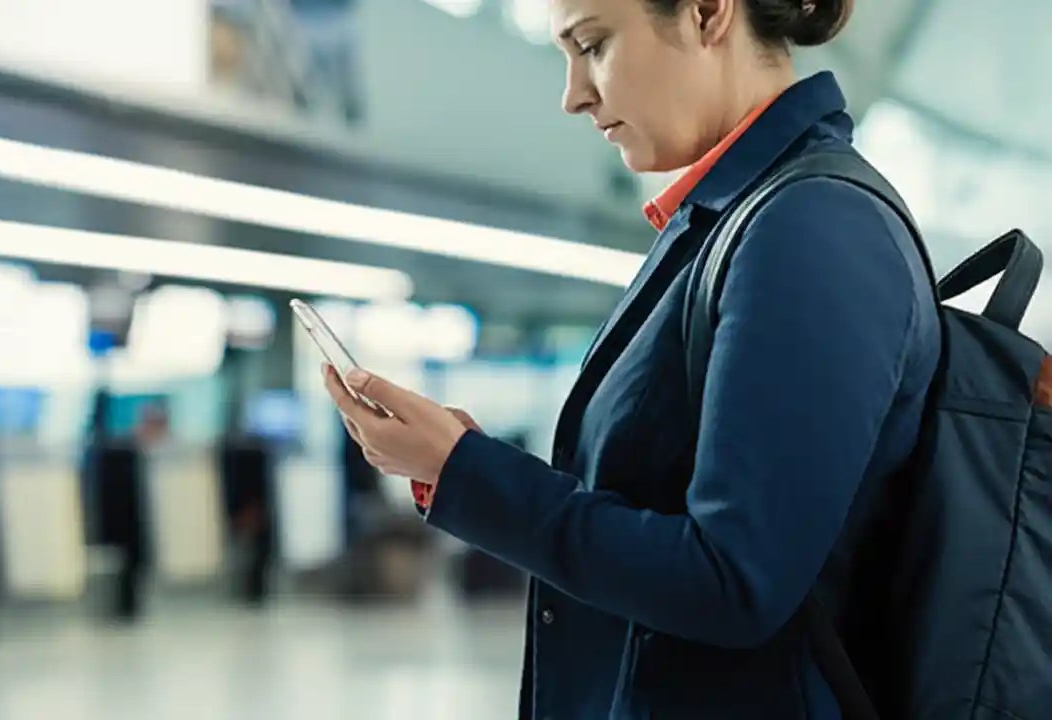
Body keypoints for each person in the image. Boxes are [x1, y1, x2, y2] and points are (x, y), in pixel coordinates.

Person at [321, 0, 943, 717]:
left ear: (708, 13)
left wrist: (468, 474)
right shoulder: (731, 222)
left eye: (592, 45)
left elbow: (733, 582)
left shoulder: (811, 228)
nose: (573, 95)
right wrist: (462, 459)